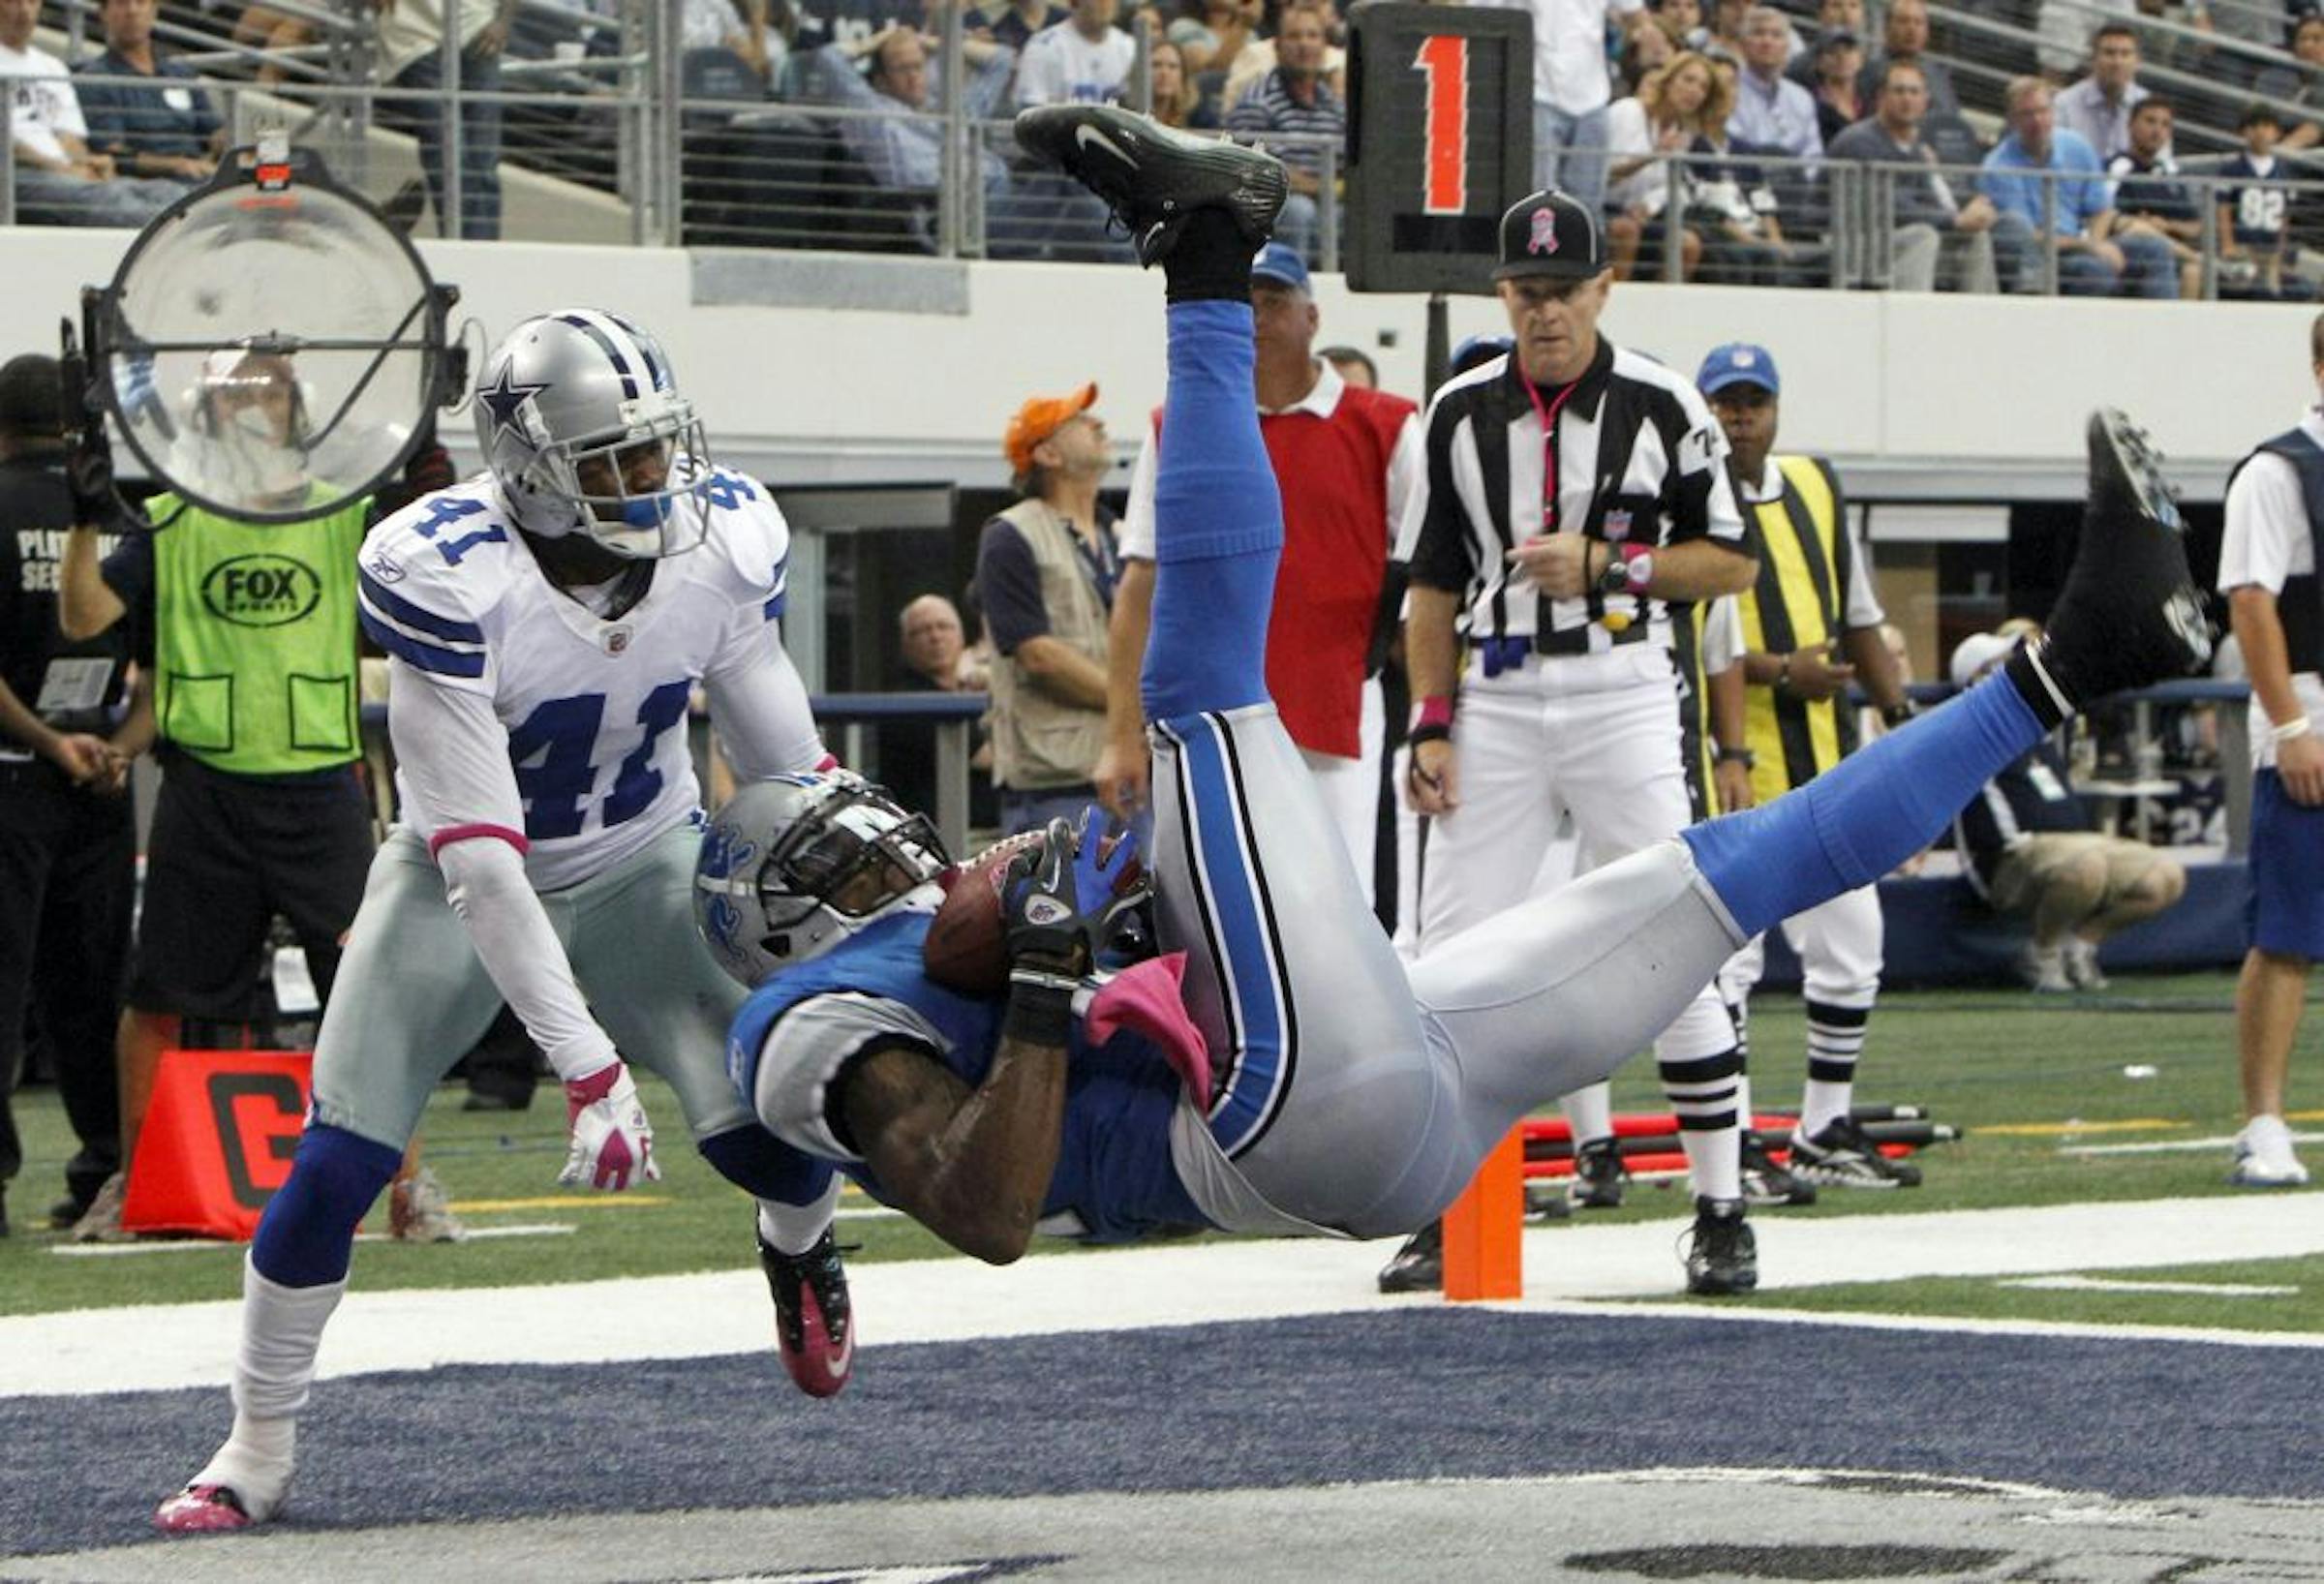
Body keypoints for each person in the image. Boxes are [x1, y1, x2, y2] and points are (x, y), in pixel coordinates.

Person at [698, 102, 2212, 1327]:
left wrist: (817, 1234)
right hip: (1272, 1119)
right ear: (782, 924)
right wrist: (1039, 984)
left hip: (1392, 1088)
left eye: (852, 828)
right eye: (831, 862)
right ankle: (1208, 257)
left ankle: (2079, 656)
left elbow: (827, 1171)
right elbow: (989, 1211)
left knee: (1735, 867)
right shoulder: (798, 1029)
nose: (877, 849)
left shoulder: (865, 999)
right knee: (1203, 703)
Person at [149, 310, 855, 1535]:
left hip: (647, 861)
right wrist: (584, 1065)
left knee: (769, 1127)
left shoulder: (719, 539)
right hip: (454, 878)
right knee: (335, 1166)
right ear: (533, 470)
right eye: (617, 462)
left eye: (657, 450)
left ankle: (799, 1245)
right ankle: (252, 1446)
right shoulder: (447, 568)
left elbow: (788, 767)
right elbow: (482, 864)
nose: (653, 482)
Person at [1389, 187, 1766, 1295]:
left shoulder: (1661, 400)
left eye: (1564, 290)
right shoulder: (1455, 413)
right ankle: (1444, 1212)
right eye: (1527, 291)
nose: (1545, 311)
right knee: (1449, 953)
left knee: (1676, 929)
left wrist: (1611, 567)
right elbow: (1429, 584)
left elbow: (1731, 560)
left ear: (1605, 287)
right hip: (1498, 695)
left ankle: (1720, 1205)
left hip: (1621, 686)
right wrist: (1432, 719)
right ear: (1502, 294)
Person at [56, 351, 396, 1245]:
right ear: (203, 412)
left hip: (321, 782)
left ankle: (405, 1182)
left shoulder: (345, 510)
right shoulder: (172, 518)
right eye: (232, 390)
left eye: (268, 387)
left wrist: (424, 486)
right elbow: (85, 618)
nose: (251, 402)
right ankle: (133, 1185)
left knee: (372, 991)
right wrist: (85, 520)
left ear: (297, 407)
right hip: (205, 785)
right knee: (160, 993)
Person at [1099, 240, 1420, 929]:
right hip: (1203, 708)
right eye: (1244, 303)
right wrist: (1121, 735)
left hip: (1337, 699)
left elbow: (1428, 573)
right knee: (1207, 907)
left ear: (1312, 317)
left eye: (1274, 302)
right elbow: (1140, 582)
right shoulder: (1176, 424)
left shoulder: (1386, 424)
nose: (1257, 319)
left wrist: (1432, 710)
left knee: (1340, 901)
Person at [1697, 343, 1922, 1194]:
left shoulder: (1817, 488)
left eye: (1752, 401)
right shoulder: (1689, 501)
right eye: (1725, 402)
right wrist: (1778, 673)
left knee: (1852, 945)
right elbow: (1697, 636)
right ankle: (1738, 1138)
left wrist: (1900, 720)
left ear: (1777, 409)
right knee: (1733, 962)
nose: (1739, 417)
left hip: (1824, 769)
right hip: (1737, 771)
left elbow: (1860, 615)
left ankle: (1824, 1124)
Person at [0, 354, 138, 1238]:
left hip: (12, 773)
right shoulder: (123, 515)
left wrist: (45, 741)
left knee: (2, 984)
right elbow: (157, 654)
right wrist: (109, 747)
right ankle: (105, 1173)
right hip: (105, 773)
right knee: (93, 983)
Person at [2217, 314, 2324, 1188]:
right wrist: (2290, 725)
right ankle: (2264, 1123)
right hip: (2313, 714)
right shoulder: (2278, 470)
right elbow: (2251, 604)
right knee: (2288, 930)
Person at [1947, 629, 2187, 992]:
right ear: (1979, 676)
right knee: (2086, 867)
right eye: (2007, 662)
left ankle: (2082, 944)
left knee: (2165, 876)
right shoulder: (1965, 732)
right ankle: (2041, 954)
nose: (2020, 668)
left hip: (2073, 843)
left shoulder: (2037, 726)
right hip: (2010, 856)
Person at [977, 383, 1121, 836]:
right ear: (1047, 455)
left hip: (1133, 771)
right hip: (1057, 785)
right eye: (1079, 421)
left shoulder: (1120, 534)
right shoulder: (1010, 536)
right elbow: (1038, 655)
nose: (1098, 424)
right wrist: (1133, 704)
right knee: (1068, 905)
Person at [1979, 76, 2176, 298]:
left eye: (2043, 111)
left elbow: (2101, 210)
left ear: (2053, 112)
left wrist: (2097, 244)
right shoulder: (1998, 166)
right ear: (2012, 120)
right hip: (2041, 257)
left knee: (2154, 250)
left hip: (2082, 242)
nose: (2037, 121)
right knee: (2094, 271)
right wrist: (2090, 248)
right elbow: (2025, 237)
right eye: (2027, 114)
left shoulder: (2076, 145)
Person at [0, 0, 183, 228]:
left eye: (31, 2)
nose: (24, 10)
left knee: (168, 192)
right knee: (112, 202)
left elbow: (69, 134)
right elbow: (7, 143)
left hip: (63, 174)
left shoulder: (52, 66)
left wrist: (83, 162)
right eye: (13, 2)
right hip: (16, 173)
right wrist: (59, 167)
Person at [1827, 59, 2000, 293]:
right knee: (1923, 235)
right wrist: (1954, 221)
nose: (1907, 99)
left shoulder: (1917, 148)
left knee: (1975, 236)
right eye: (1898, 91)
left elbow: (1931, 201)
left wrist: (1970, 214)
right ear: (1881, 97)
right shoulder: (1859, 141)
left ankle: (1982, 318)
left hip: (1893, 243)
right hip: (1854, 244)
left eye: (1914, 92)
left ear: (1925, 101)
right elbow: (1889, 205)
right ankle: (1910, 320)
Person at [372, 0, 521, 239]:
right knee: (450, 160)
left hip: (476, 28)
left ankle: (482, 254)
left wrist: (503, 22)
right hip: (414, 38)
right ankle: (465, 251)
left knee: (483, 162)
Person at [1223, 0, 1342, 261]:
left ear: (1324, 46)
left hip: (1327, 198)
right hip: (1274, 202)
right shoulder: (1258, 99)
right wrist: (1327, 186)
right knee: (1300, 211)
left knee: (1359, 214)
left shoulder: (1332, 103)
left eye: (1313, 36)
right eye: (1294, 36)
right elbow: (1258, 168)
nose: (1304, 44)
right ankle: (1287, 286)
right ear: (1277, 47)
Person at [1498, 0, 1646, 209]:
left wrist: (1640, 34)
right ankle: (1533, 240)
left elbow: (1635, 13)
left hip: (1593, 94)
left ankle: (1585, 241)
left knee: (1588, 200)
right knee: (1538, 194)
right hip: (1538, 89)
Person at [71, 0, 225, 188]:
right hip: (149, 187)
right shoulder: (96, 79)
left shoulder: (179, 73)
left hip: (201, 178)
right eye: (121, 3)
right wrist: (176, 165)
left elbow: (212, 130)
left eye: (141, 2)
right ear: (103, 13)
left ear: (154, 11)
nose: (132, 11)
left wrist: (226, 140)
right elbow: (113, 153)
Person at [880, 593, 994, 825]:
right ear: (905, 645)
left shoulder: (970, 689)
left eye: (944, 627)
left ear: (962, 638)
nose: (935, 636)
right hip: (940, 839)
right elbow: (991, 758)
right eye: (922, 631)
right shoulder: (907, 700)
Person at [2106, 97, 2203, 300]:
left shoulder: (2170, 174)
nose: (2157, 130)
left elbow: (2195, 226)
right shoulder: (2118, 168)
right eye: (2150, 121)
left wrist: (2166, 225)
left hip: (2175, 252)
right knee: (2159, 251)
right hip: (2129, 251)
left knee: (2193, 271)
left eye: (2165, 124)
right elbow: (2107, 217)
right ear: (2131, 125)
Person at [2217, 104, 2297, 301]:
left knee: (2286, 289)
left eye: (2267, 126)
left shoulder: (2285, 173)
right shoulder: (2232, 169)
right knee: (2255, 288)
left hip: (2270, 250)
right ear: (2244, 131)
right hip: (2243, 247)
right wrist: (2228, 244)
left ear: (2277, 132)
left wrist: (2281, 249)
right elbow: (2223, 207)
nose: (2261, 132)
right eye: (2254, 126)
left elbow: (2285, 216)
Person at [1728, 6, 1822, 161]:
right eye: (1758, 33)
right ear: (1742, 44)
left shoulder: (1802, 98)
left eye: (1776, 35)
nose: (1767, 41)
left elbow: (1813, 155)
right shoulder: (1726, 92)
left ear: (1787, 46)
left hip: (1796, 182)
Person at [2054, 22, 2149, 163]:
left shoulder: (2147, 104)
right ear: (2093, 59)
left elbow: (2161, 164)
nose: (2117, 62)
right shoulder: (2065, 104)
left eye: (2125, 54)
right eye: (2109, 53)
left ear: (2137, 62)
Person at [1012, 0, 1134, 107]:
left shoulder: (1130, 47)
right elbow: (1030, 110)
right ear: (1074, 2)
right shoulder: (1043, 47)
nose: (1105, 3)